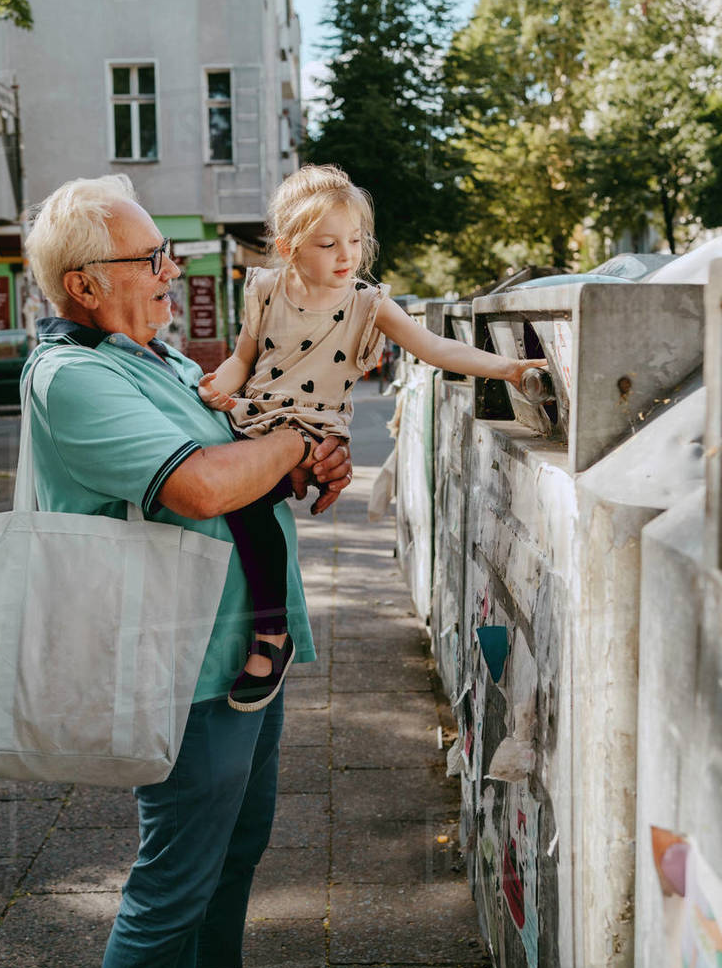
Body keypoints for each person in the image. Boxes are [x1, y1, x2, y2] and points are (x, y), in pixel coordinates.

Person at [23, 173, 352, 968]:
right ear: (84, 285)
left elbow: (240, 473)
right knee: (173, 885)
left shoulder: (160, 360)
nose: (172, 271)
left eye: (169, 254)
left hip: (249, 647)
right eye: (150, 257)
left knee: (232, 857)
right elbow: (202, 486)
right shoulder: (70, 376)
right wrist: (293, 437)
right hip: (182, 666)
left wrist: (299, 465)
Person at [198, 164, 548, 712]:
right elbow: (243, 360)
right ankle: (240, 628)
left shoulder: (366, 303)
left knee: (246, 505)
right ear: (289, 247)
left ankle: (272, 635)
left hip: (310, 428)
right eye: (328, 243)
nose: (346, 256)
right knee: (222, 499)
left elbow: (435, 349)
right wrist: (212, 390)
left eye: (356, 241)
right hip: (252, 419)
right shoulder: (265, 290)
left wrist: (506, 369)